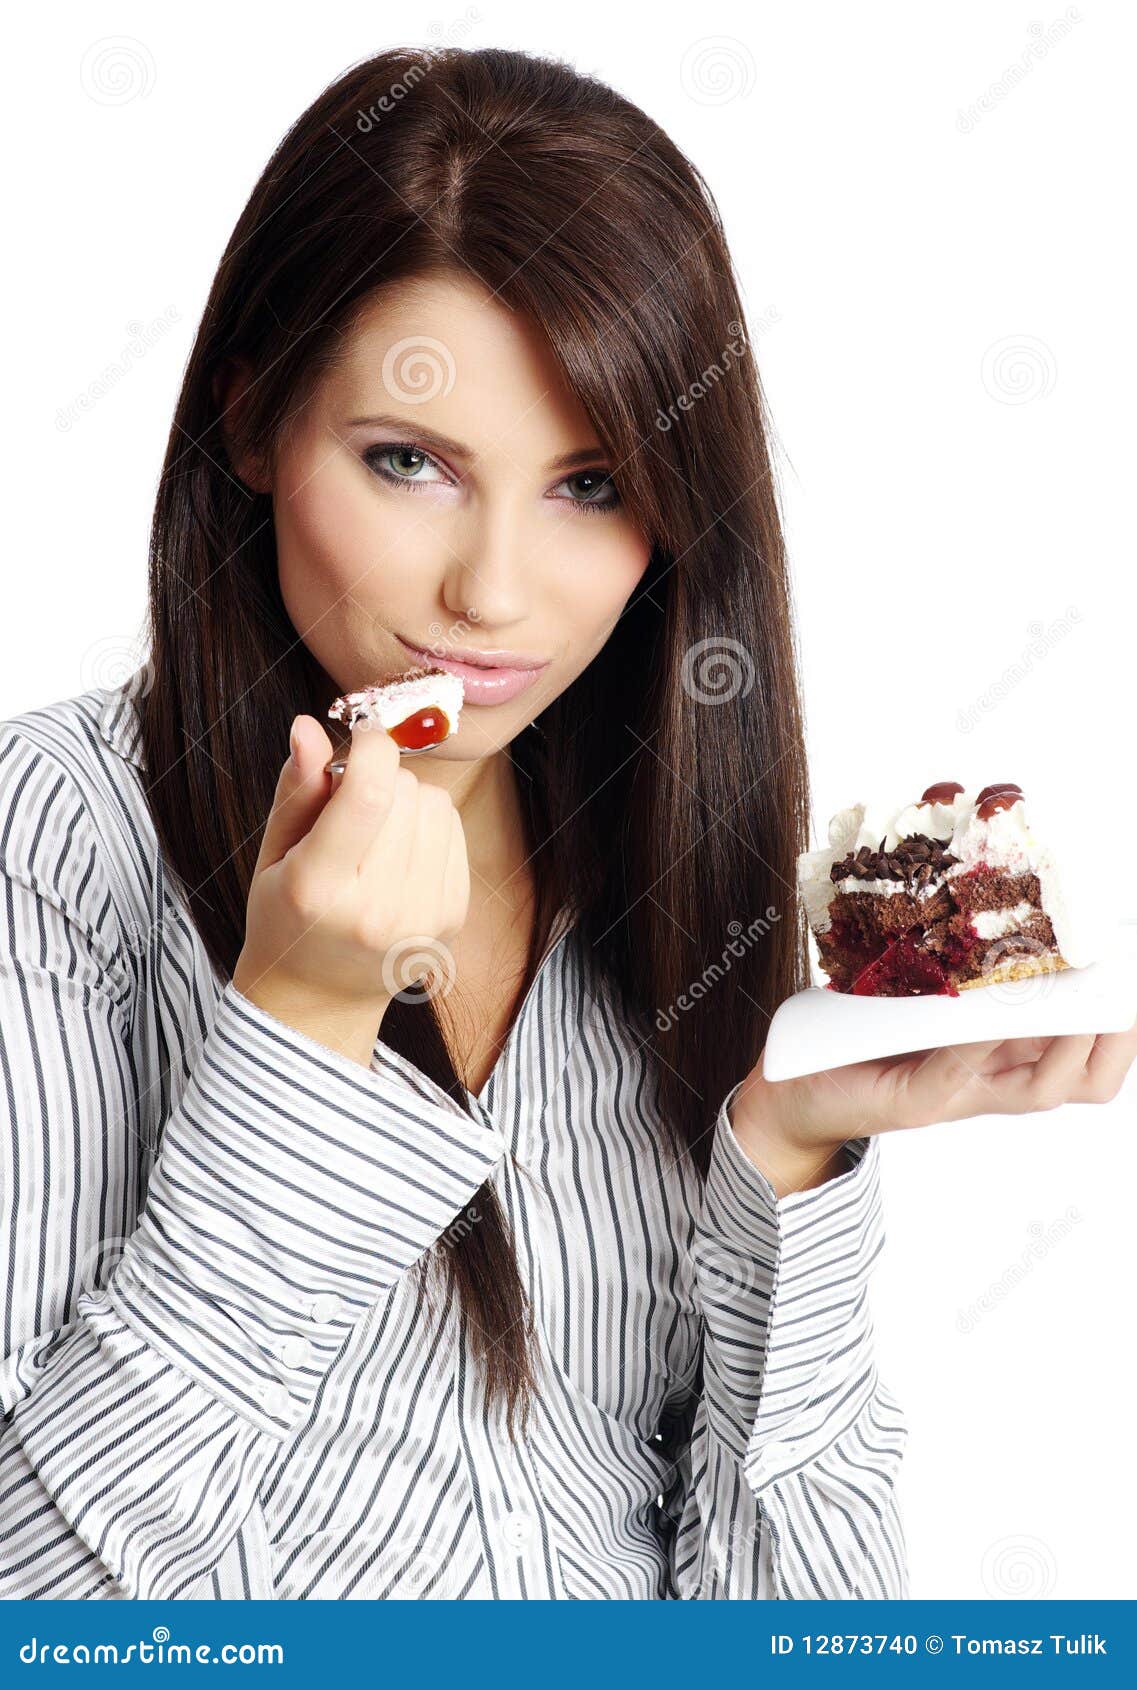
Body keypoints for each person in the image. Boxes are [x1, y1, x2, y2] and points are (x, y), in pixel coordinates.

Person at [2, 46, 1133, 1602]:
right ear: (255, 424)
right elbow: (45, 1611)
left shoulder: (662, 885)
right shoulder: (56, 837)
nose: (494, 592)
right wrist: (302, 1025)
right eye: (409, 462)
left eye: (590, 485)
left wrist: (787, 1158)